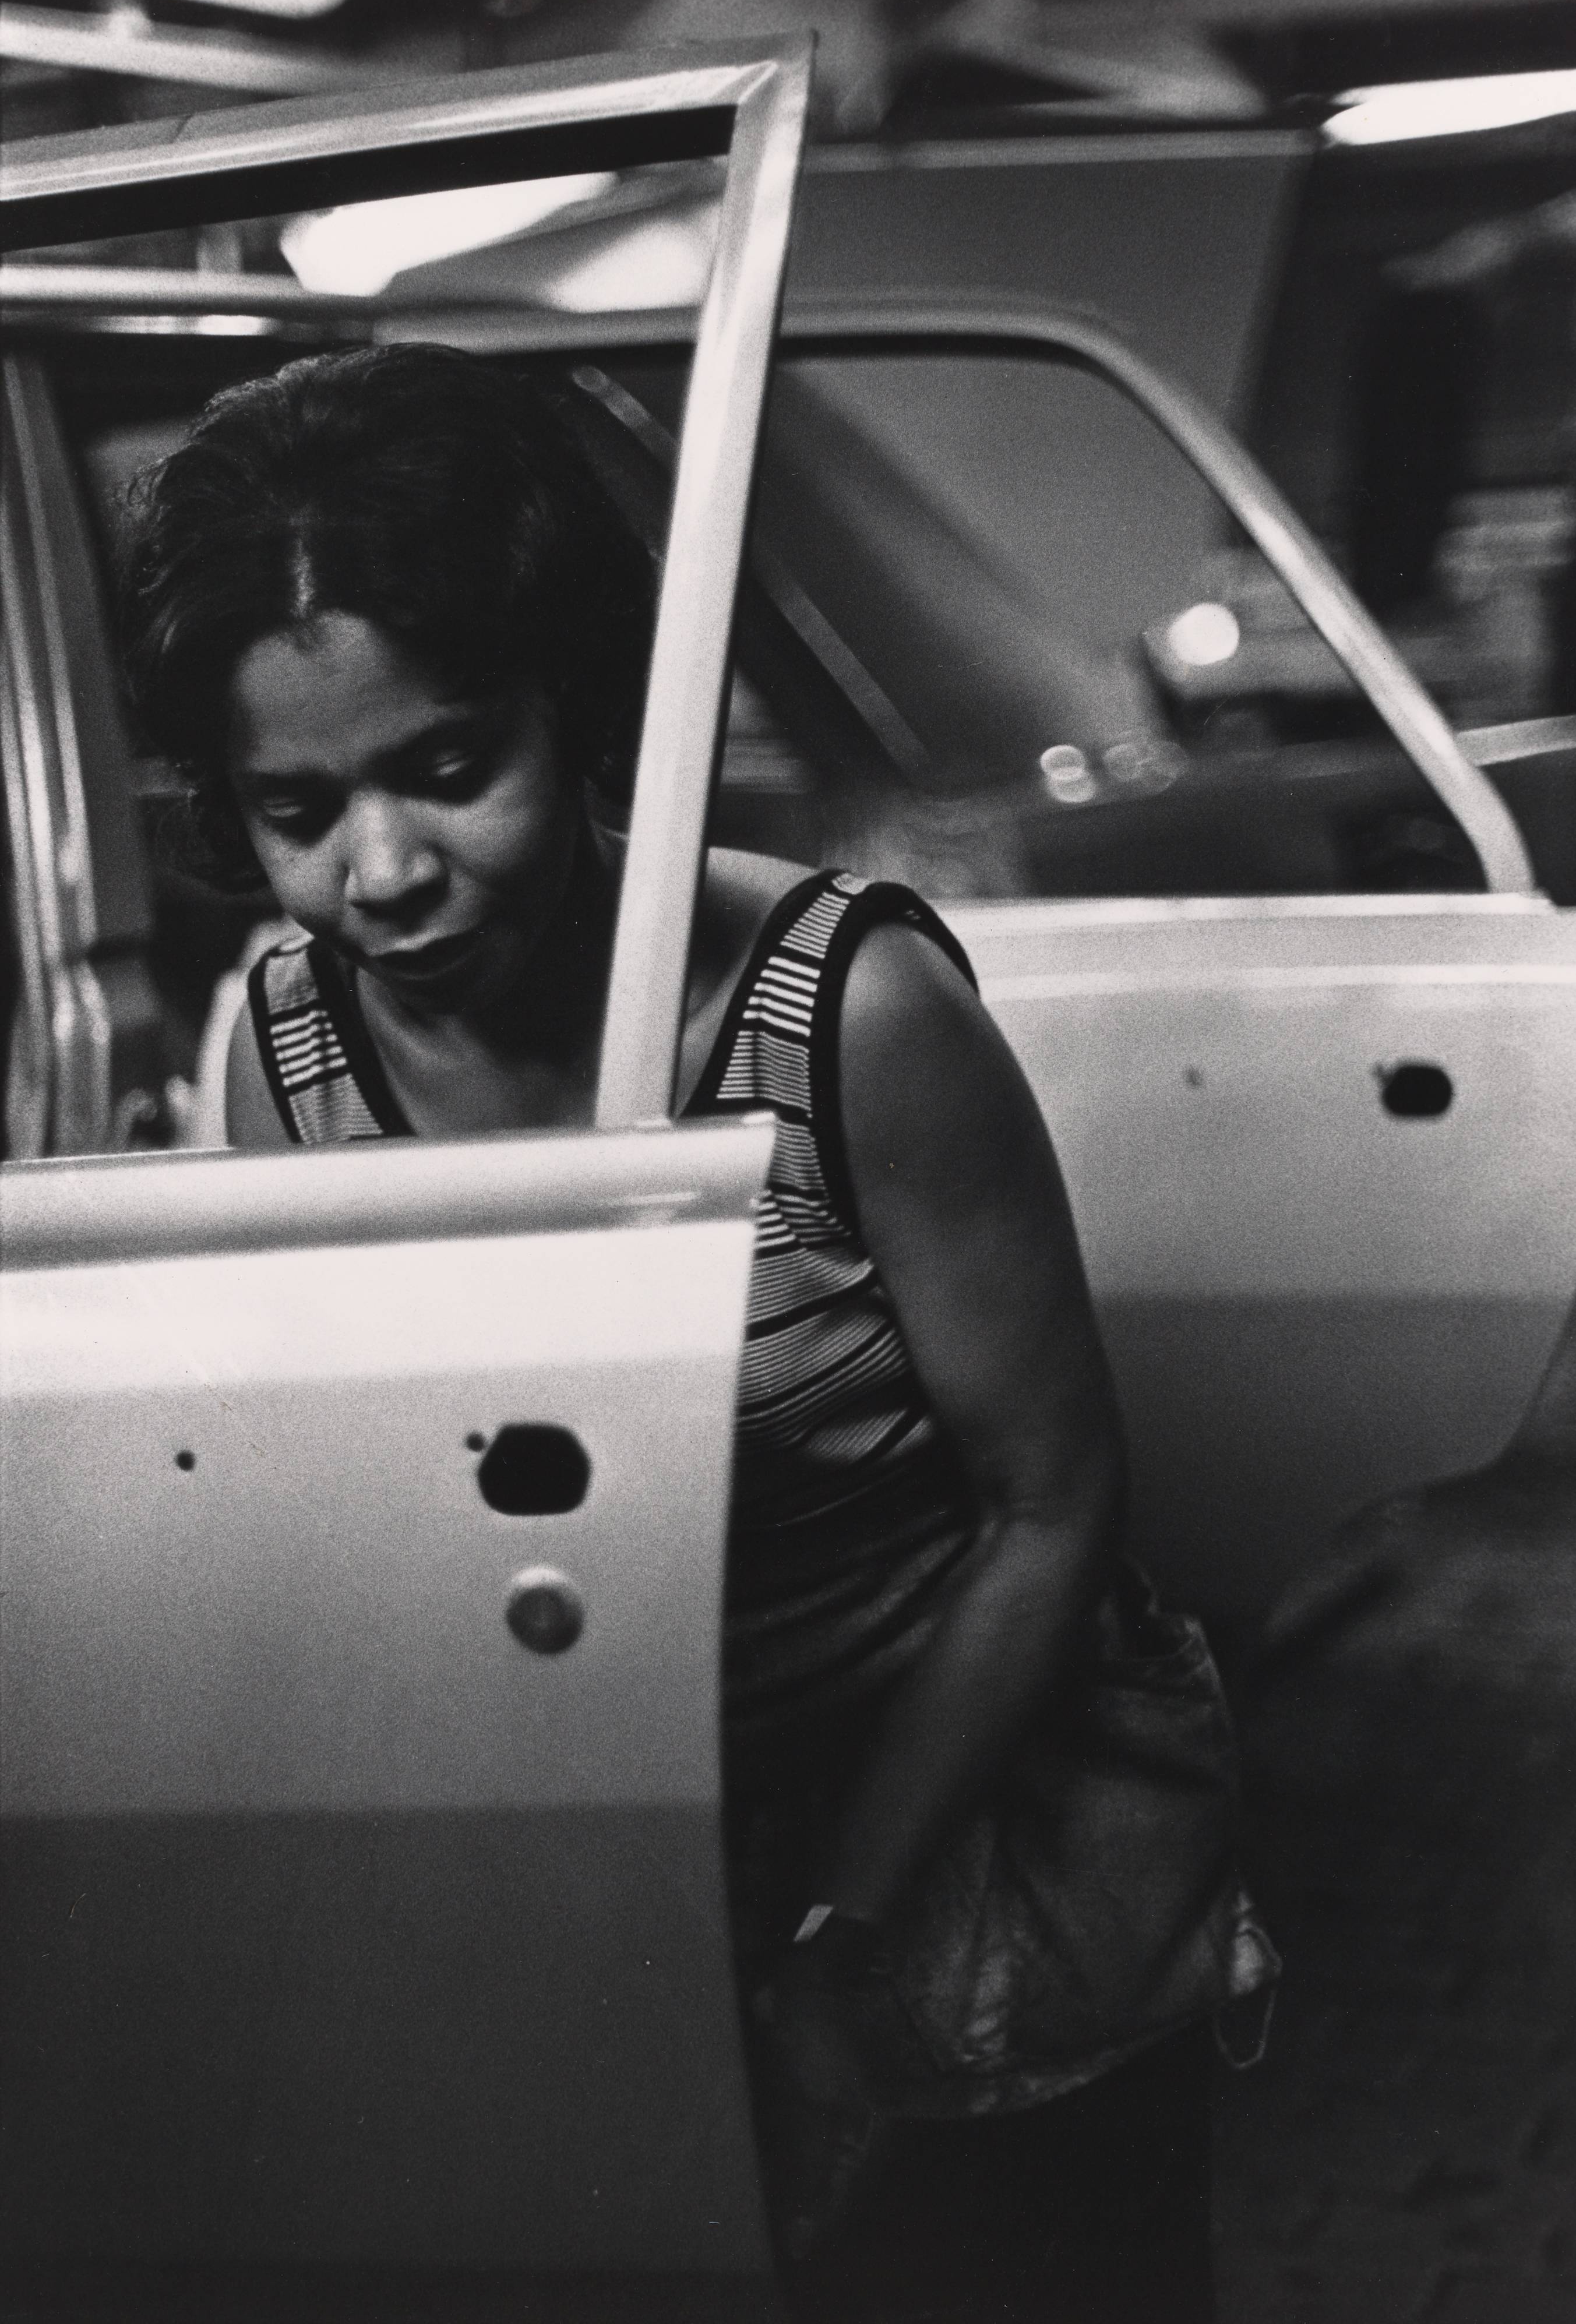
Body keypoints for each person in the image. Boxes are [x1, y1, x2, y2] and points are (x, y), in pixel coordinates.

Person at [120, 344, 1241, 2322]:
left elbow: (1051, 1507)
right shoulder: (287, 1054)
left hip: (976, 1850)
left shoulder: (846, 1017)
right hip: (635, 1857)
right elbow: (387, 1533)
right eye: (300, 807)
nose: (378, 871)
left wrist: (836, 1934)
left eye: (449, 768)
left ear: (584, 709)